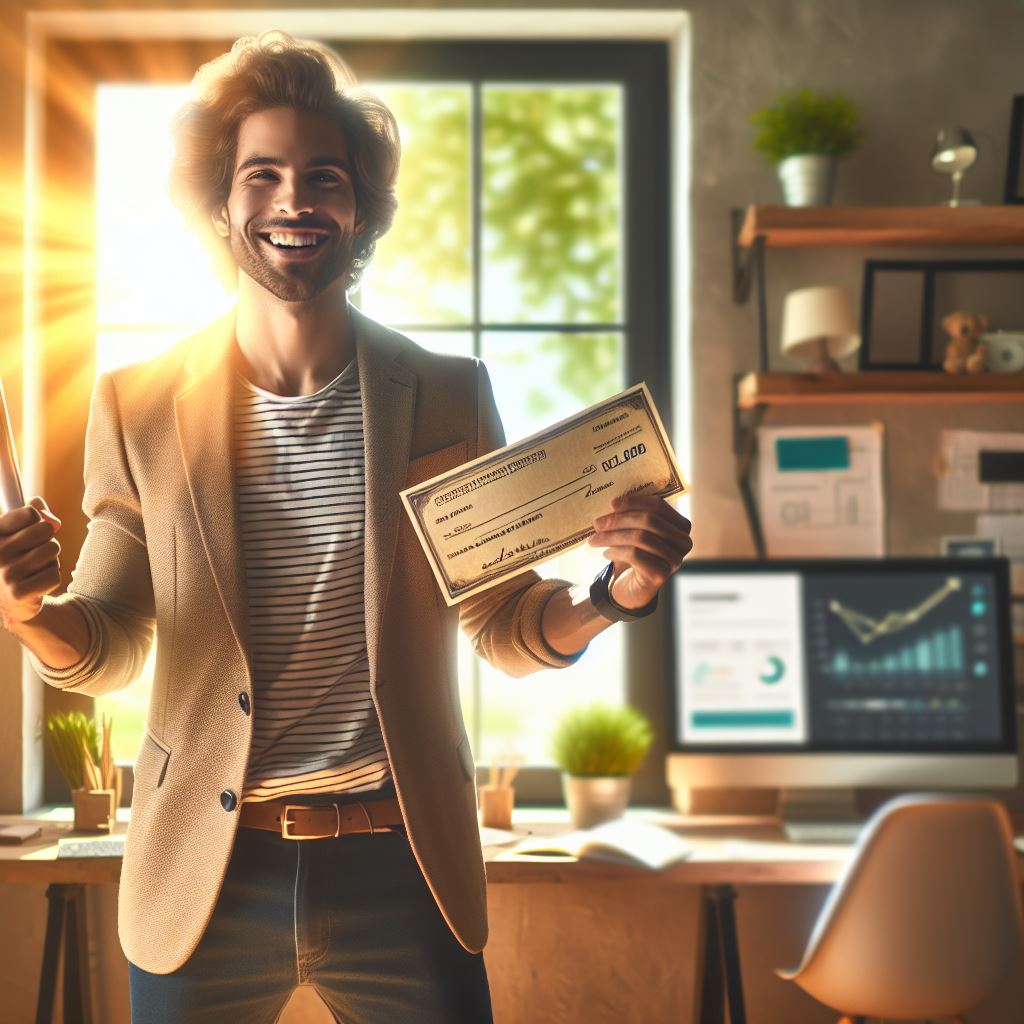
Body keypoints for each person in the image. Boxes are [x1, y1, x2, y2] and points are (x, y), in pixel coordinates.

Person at [0, 31, 692, 1023]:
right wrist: (27, 612)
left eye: (322, 176)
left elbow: (501, 624)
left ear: (358, 207)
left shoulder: (449, 395)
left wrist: (613, 592)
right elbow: (111, 638)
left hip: (403, 870)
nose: (293, 198)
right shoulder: (136, 405)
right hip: (206, 872)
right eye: (262, 174)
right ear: (220, 202)